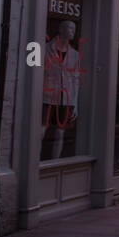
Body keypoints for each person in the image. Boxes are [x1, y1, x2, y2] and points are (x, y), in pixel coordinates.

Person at [43, 19, 83, 159]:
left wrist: (75, 104)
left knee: (60, 133)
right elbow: (35, 72)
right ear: (61, 29)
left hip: (66, 100)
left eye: (74, 29)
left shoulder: (75, 55)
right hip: (47, 96)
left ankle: (55, 161)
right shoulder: (45, 48)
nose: (72, 32)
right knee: (42, 129)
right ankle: (34, 159)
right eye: (69, 28)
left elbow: (76, 80)